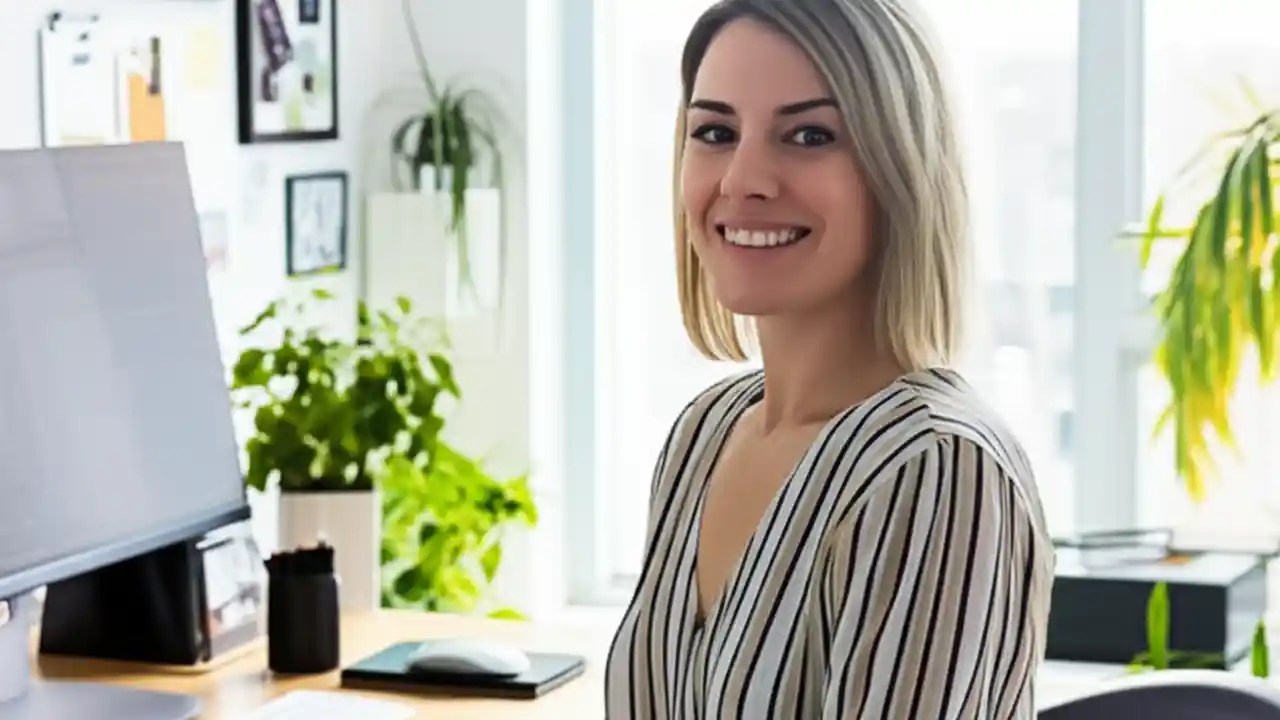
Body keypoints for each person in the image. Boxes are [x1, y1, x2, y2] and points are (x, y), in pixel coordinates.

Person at [603, 0, 1056, 718]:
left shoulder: (937, 467)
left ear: (900, 169)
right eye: (715, 132)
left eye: (810, 135)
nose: (742, 179)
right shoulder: (704, 434)